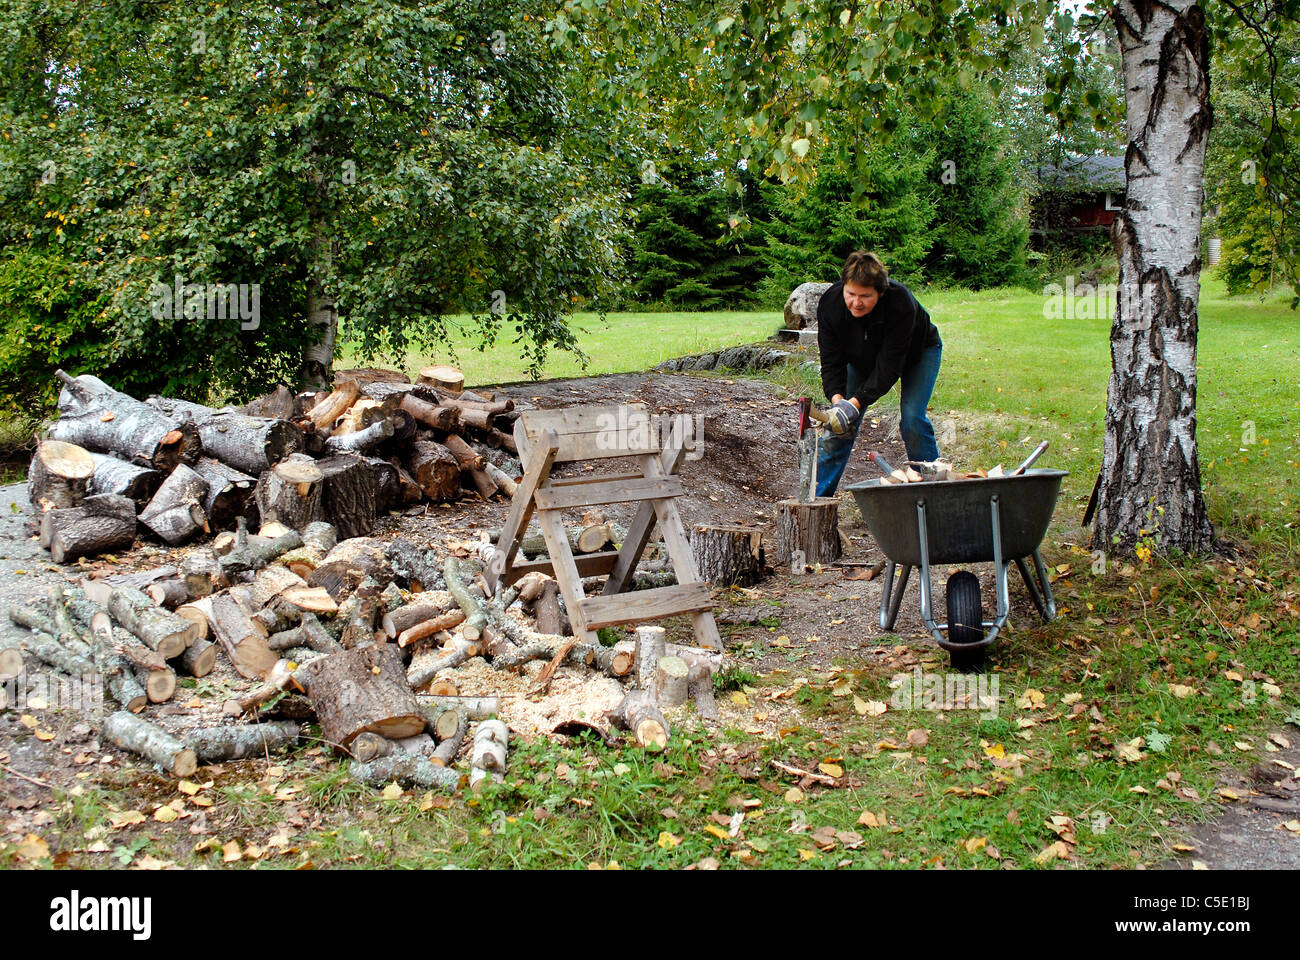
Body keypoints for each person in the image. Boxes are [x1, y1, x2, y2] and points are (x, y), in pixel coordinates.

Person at [815, 250, 942, 496]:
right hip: (863, 358)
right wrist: (839, 403)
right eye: (850, 294)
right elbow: (831, 361)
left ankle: (934, 492)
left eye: (865, 296)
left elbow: (888, 367)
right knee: (838, 427)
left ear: (880, 292)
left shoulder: (900, 302)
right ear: (843, 286)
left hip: (918, 353)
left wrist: (856, 402)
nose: (856, 302)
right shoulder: (830, 304)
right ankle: (818, 502)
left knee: (913, 420)